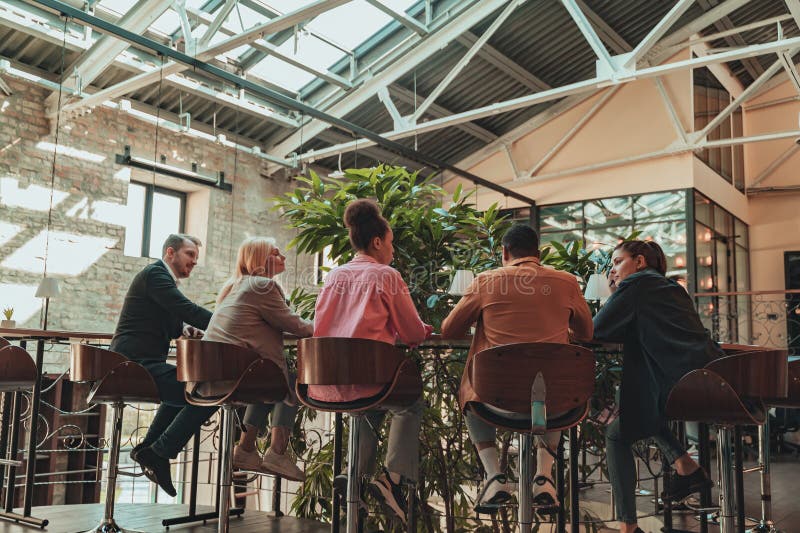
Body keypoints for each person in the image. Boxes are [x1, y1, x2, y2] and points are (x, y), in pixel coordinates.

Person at [441, 223, 593, 513]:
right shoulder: (566, 282)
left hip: (495, 402)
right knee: (552, 388)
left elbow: (449, 330)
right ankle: (544, 477)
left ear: (504, 252)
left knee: (471, 388)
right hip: (557, 405)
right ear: (538, 254)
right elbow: (586, 333)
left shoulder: (487, 281)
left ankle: (494, 476)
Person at [309, 199, 433, 524]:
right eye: (391, 243)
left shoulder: (334, 276)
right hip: (369, 380)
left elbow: (320, 326)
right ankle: (392, 479)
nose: (392, 250)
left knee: (370, 408)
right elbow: (412, 333)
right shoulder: (386, 275)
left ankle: (353, 474)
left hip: (326, 381)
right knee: (408, 402)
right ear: (377, 242)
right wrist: (424, 329)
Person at [593, 240, 721, 533]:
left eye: (617, 262)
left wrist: (614, 295)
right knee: (639, 402)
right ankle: (685, 465)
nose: (612, 270)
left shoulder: (637, 284)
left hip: (681, 386)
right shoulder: (672, 287)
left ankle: (628, 527)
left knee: (617, 433)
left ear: (639, 262)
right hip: (709, 377)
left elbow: (597, 328)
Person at [111, 233, 216, 497]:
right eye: (190, 254)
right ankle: (157, 452)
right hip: (132, 365)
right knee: (206, 393)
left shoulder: (162, 282)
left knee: (188, 387)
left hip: (141, 364)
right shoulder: (155, 275)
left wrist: (186, 331)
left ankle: (149, 449)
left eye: (196, 257)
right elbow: (186, 309)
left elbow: (172, 319)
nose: (194, 261)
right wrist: (226, 326)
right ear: (170, 252)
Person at [202, 236, 313, 481]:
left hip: (210, 374)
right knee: (291, 380)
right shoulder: (263, 286)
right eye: (276, 253)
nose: (283, 257)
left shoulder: (236, 286)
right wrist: (329, 327)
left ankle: (246, 448)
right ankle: (277, 453)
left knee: (267, 380)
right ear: (261, 259)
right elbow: (296, 325)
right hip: (234, 377)